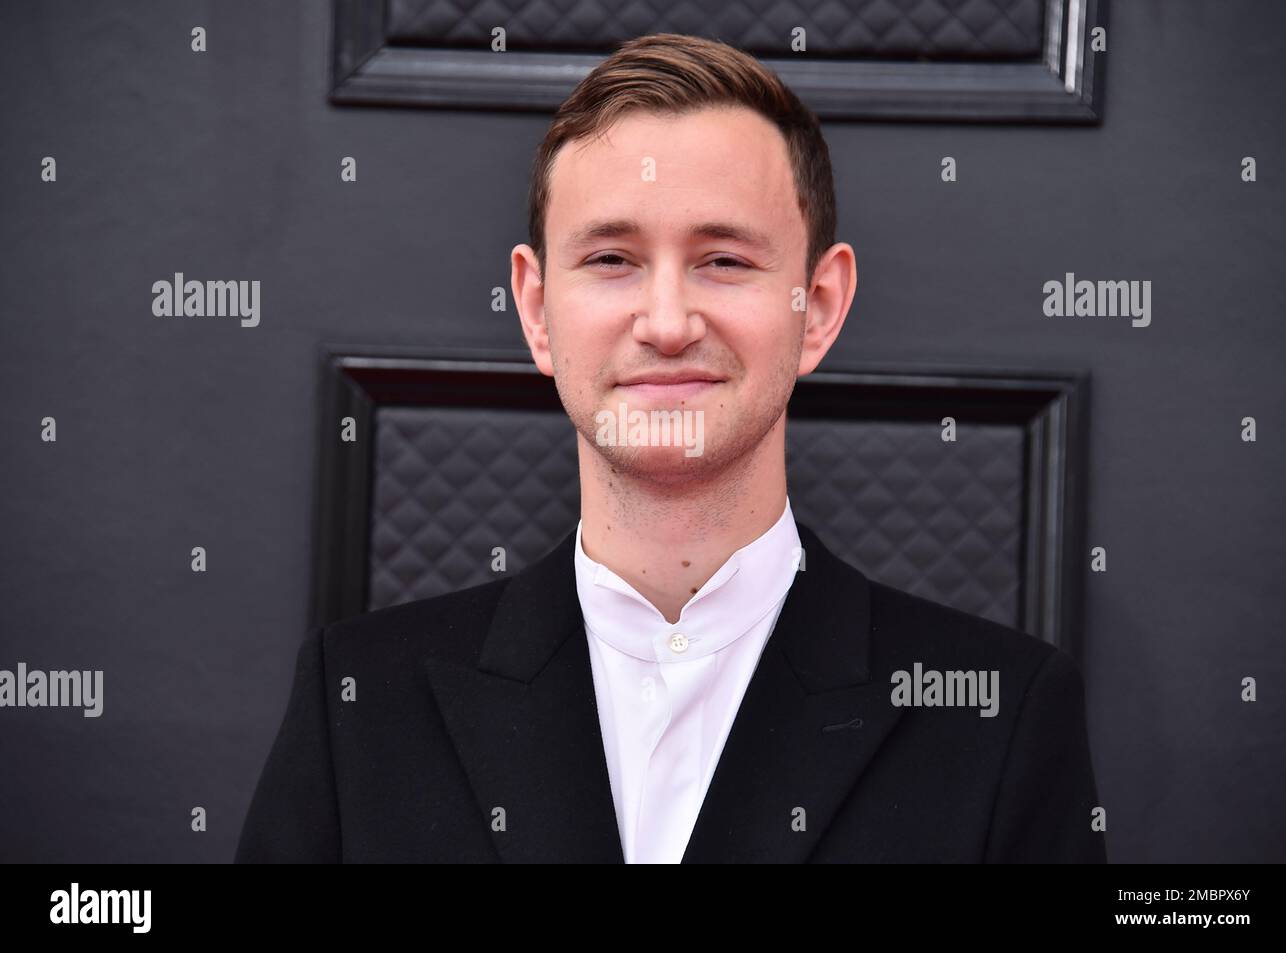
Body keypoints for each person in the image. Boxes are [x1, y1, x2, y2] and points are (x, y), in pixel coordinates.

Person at [235, 32, 1105, 864]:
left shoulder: (1001, 718)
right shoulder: (356, 704)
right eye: (611, 258)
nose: (666, 323)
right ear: (536, 310)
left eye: (723, 260)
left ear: (819, 307)